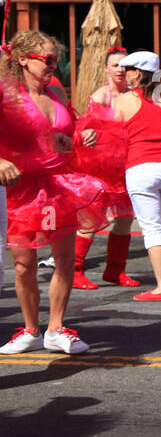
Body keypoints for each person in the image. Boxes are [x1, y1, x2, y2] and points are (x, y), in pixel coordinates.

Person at [0, 30, 106, 355]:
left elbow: (66, 134)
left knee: (64, 259)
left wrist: (82, 136)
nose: (53, 67)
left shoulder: (57, 93)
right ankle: (31, 329)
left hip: (60, 184)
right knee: (23, 265)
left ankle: (56, 328)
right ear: (22, 59)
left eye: (56, 61)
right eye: (46, 60)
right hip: (20, 188)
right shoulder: (6, 95)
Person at [114, 51, 161, 301]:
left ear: (138, 72)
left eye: (128, 69)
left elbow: (111, 136)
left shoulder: (123, 100)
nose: (123, 74)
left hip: (140, 167)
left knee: (153, 228)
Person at [72, 46, 138, 289]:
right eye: (115, 65)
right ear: (106, 69)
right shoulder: (101, 95)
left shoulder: (135, 94)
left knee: (125, 219)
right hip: (100, 167)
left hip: (127, 164)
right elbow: (87, 125)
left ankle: (115, 271)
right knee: (90, 219)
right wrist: (88, 132)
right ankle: (76, 270)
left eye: (125, 65)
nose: (121, 70)